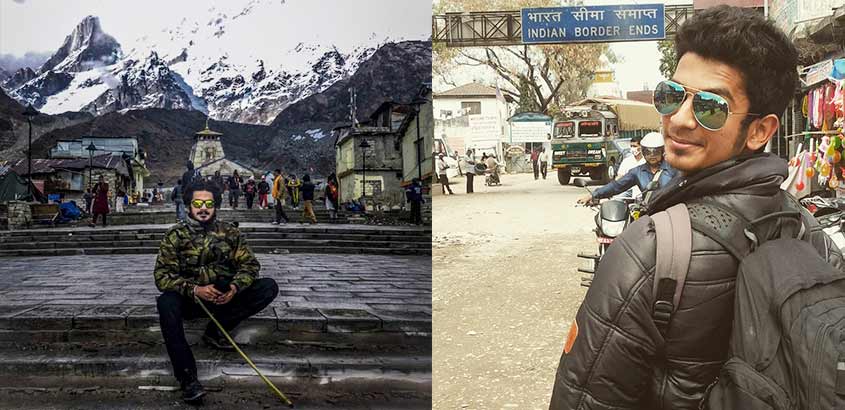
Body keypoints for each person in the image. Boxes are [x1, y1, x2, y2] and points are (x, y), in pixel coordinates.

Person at [549, 7, 845, 409]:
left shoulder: (651, 253)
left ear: (760, 131)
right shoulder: (811, 233)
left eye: (710, 107)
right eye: (671, 96)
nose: (679, 120)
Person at [153, 179, 278, 403]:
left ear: (216, 205)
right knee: (166, 303)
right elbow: (162, 276)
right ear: (189, 205)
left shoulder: (230, 233)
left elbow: (250, 266)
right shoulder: (175, 236)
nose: (203, 208)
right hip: (191, 299)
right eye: (197, 203)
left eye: (208, 204)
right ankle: (188, 378)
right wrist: (194, 290)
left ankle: (215, 330)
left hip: (223, 297)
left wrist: (234, 287)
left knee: (268, 286)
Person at [576, 132, 676, 204]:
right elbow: (616, 186)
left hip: (670, 214)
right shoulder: (637, 172)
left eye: (656, 152)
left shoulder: (674, 169)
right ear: (643, 152)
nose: (652, 155)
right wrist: (594, 195)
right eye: (648, 152)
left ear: (663, 151)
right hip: (649, 212)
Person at [615, 134, 646, 198]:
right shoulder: (627, 161)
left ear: (641, 147)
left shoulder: (646, 161)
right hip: (628, 190)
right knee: (616, 199)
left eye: (635, 146)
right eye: (631, 146)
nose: (632, 148)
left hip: (643, 190)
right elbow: (619, 177)